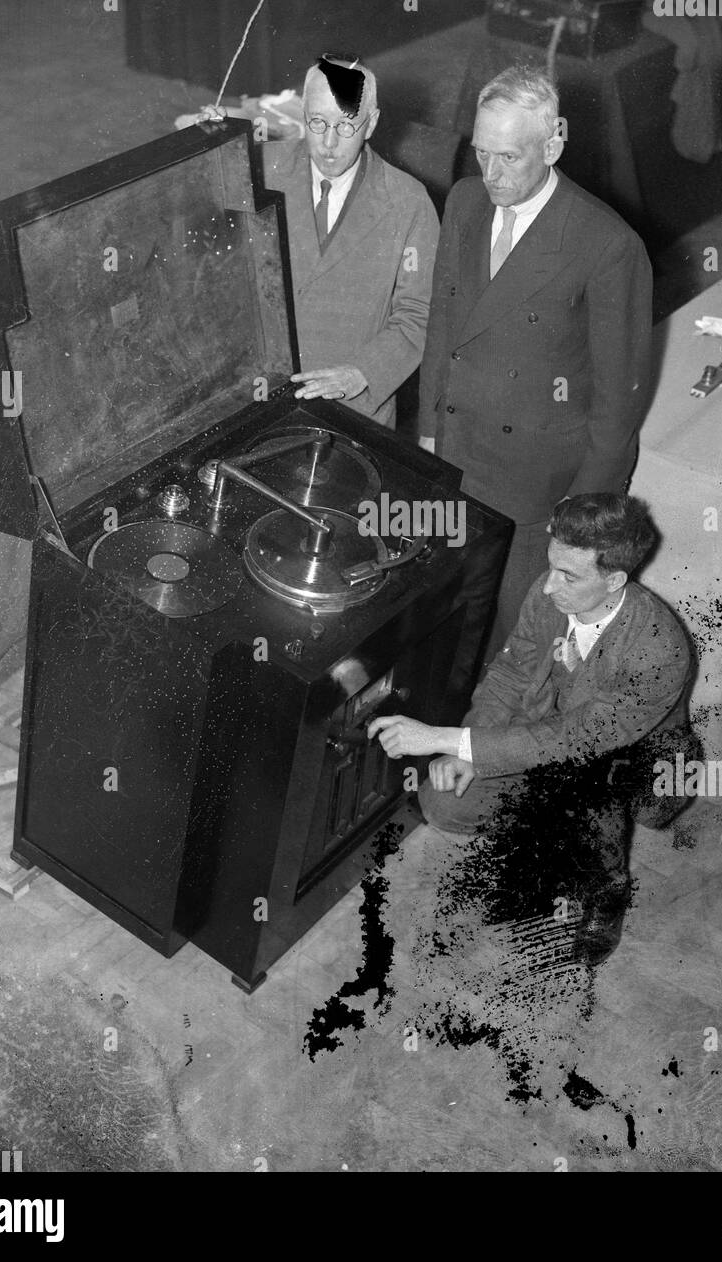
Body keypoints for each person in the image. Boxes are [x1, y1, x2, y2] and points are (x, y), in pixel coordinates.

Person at [368, 493, 697, 965]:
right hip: (551, 725)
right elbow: (510, 675)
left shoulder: (658, 648)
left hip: (634, 756)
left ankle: (607, 890)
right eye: (551, 566)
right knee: (444, 802)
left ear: (614, 580)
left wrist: (442, 738)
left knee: (591, 785)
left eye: (569, 576)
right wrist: (468, 751)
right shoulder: (550, 592)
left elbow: (578, 740)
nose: (548, 586)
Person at [417, 66, 654, 650]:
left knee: (515, 644)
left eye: (509, 157)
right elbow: (442, 328)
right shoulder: (464, 201)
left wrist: (581, 517)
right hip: (456, 457)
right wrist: (427, 436)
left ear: (552, 146)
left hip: (535, 489)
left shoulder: (607, 244)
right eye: (481, 153)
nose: (491, 174)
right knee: (445, 622)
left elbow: (617, 403)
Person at [257, 53, 440, 426]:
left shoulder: (409, 202)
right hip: (259, 396)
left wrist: (362, 373)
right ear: (302, 114)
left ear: (371, 124)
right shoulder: (259, 170)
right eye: (318, 122)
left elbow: (420, 314)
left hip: (353, 410)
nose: (329, 142)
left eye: (346, 125)